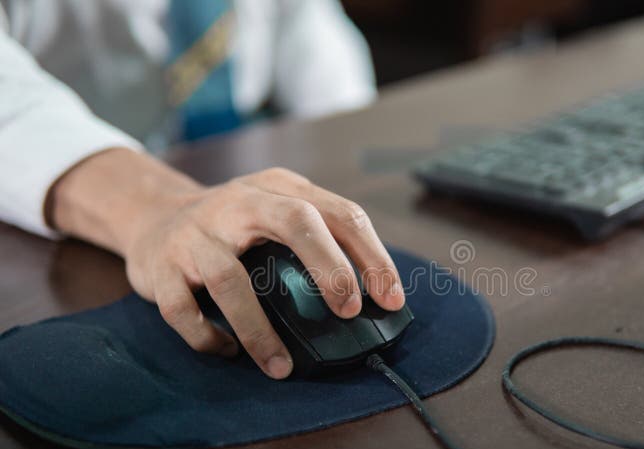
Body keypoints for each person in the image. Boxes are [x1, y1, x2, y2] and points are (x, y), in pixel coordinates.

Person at [0, 0, 405, 380]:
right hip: (85, 201)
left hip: (246, 157)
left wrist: (336, 208)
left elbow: (316, 54)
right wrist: (156, 206)